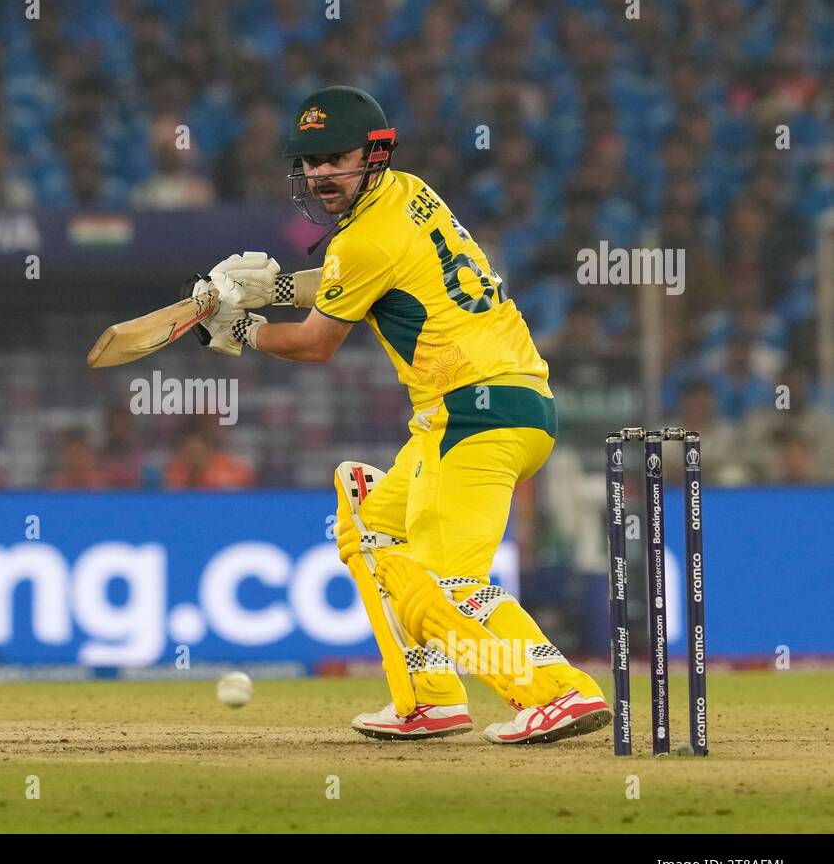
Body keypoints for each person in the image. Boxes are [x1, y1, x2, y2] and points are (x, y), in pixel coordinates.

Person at [191, 86, 609, 744]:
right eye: (308, 161)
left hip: (475, 413)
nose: (319, 174)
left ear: (374, 153)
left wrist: (239, 327)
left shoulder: (367, 238)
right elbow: (349, 283)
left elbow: (316, 339)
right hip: (501, 404)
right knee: (371, 526)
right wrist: (264, 289)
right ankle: (427, 697)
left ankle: (557, 690)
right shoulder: (407, 194)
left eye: (335, 159)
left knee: (446, 583)